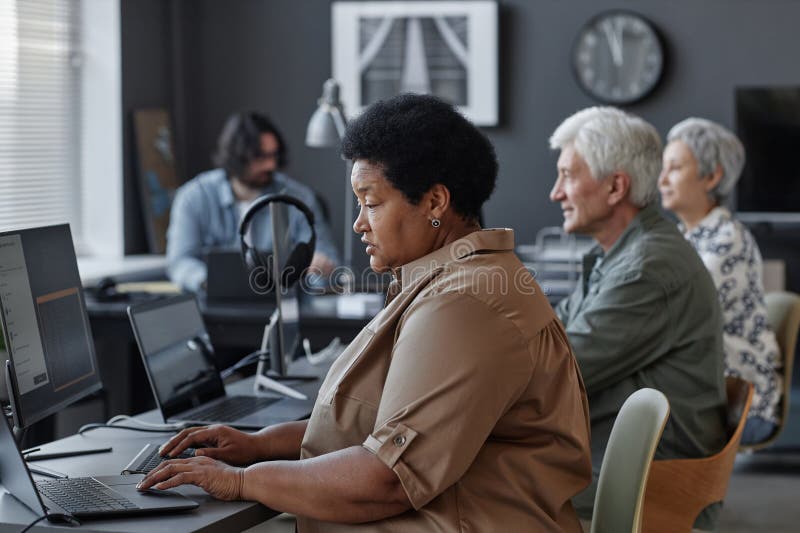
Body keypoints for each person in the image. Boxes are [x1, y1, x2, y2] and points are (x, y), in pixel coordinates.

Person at [138, 94, 593, 531]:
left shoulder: (464, 304)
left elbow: (386, 480)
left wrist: (240, 481)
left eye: (371, 203)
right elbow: (378, 429)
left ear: (435, 202)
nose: (359, 222)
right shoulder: (451, 281)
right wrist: (257, 446)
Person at [548, 107, 727, 530]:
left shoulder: (647, 267)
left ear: (615, 187)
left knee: (471, 483)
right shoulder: (621, 255)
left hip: (648, 476)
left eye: (568, 176)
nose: (556, 193)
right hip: (612, 455)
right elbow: (553, 338)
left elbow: (555, 373)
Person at [660, 117, 782, 445]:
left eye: (674, 168)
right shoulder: (681, 237)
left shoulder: (728, 240)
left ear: (712, 176)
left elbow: (675, 315)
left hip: (741, 397)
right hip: (701, 385)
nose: (661, 179)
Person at [166, 111, 340, 292]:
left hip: (281, 303)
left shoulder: (298, 198)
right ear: (237, 156)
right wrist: (210, 281)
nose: (270, 165)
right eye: (260, 157)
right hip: (214, 308)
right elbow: (179, 262)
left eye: (273, 155)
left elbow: (327, 258)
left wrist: (319, 268)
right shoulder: (194, 197)